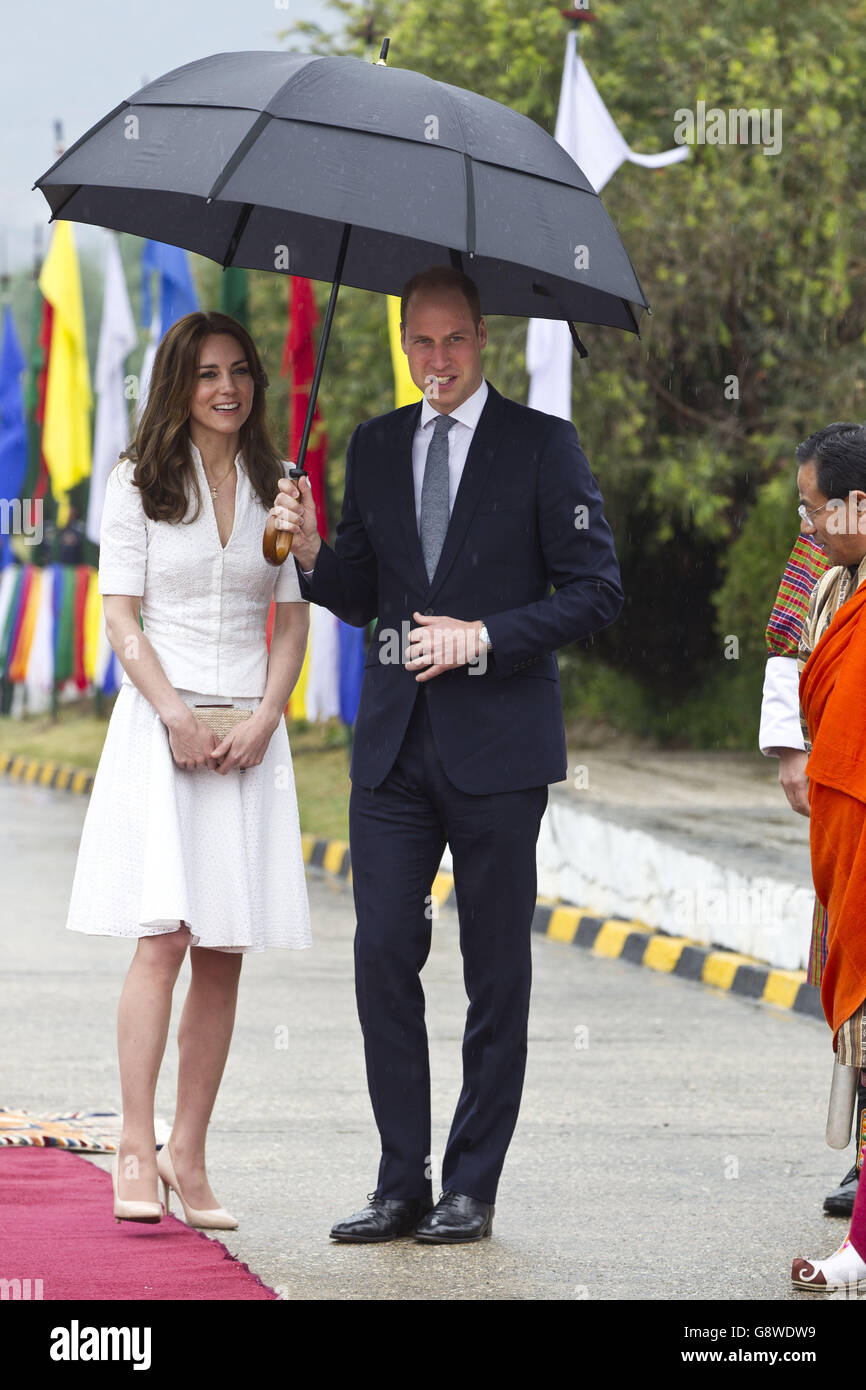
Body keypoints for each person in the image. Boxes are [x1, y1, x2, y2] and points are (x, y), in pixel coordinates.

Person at [271, 265, 623, 1243]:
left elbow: (596, 589)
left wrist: (484, 634)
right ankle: (399, 1181)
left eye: (453, 340)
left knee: (492, 970)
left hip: (500, 749)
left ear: (483, 338)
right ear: (401, 342)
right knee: (382, 949)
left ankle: (471, 1184)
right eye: (420, 343)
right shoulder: (375, 446)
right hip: (390, 750)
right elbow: (357, 586)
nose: (437, 360)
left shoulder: (543, 448)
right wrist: (305, 551)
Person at [65, 311, 311, 1229]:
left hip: (249, 733)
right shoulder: (136, 481)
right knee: (162, 938)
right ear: (179, 382)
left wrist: (264, 719)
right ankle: (134, 1141)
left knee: (223, 947)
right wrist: (172, 714)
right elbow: (119, 617)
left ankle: (189, 1153)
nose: (226, 388)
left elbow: (291, 622)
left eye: (241, 371)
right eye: (207, 372)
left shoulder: (280, 486)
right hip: (160, 724)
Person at [759, 531, 866, 1218]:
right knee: (856, 984)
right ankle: (864, 1164)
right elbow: (785, 643)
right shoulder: (824, 542)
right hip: (845, 787)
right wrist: (790, 748)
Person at [786, 422, 866, 1291]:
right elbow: (789, 657)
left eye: (815, 510)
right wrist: (791, 752)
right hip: (845, 820)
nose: (805, 528)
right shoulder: (824, 573)